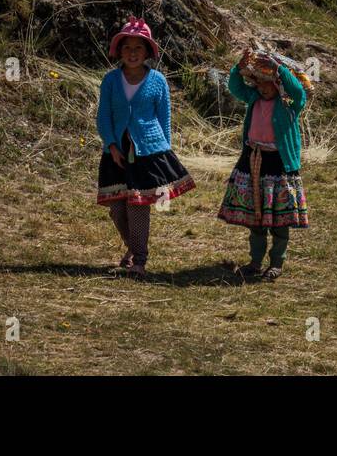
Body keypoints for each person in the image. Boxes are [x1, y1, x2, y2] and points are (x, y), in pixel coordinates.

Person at [95, 17, 195, 278]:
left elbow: (164, 120)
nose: (132, 53)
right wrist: (112, 145)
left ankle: (139, 259)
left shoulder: (158, 81)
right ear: (119, 51)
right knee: (117, 209)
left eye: (138, 48)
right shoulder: (110, 81)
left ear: (148, 52)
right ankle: (131, 247)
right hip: (115, 153)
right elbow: (103, 118)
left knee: (137, 207)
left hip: (147, 153)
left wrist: (164, 157)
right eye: (126, 47)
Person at [216, 47, 310, 280]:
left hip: (278, 166)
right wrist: (238, 68)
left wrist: (279, 69)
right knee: (256, 220)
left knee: (279, 221)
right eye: (259, 83)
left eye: (269, 83)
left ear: (278, 83)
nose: (263, 88)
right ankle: (255, 262)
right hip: (253, 161)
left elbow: (299, 92)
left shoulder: (289, 106)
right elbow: (234, 86)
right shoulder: (253, 98)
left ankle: (276, 262)